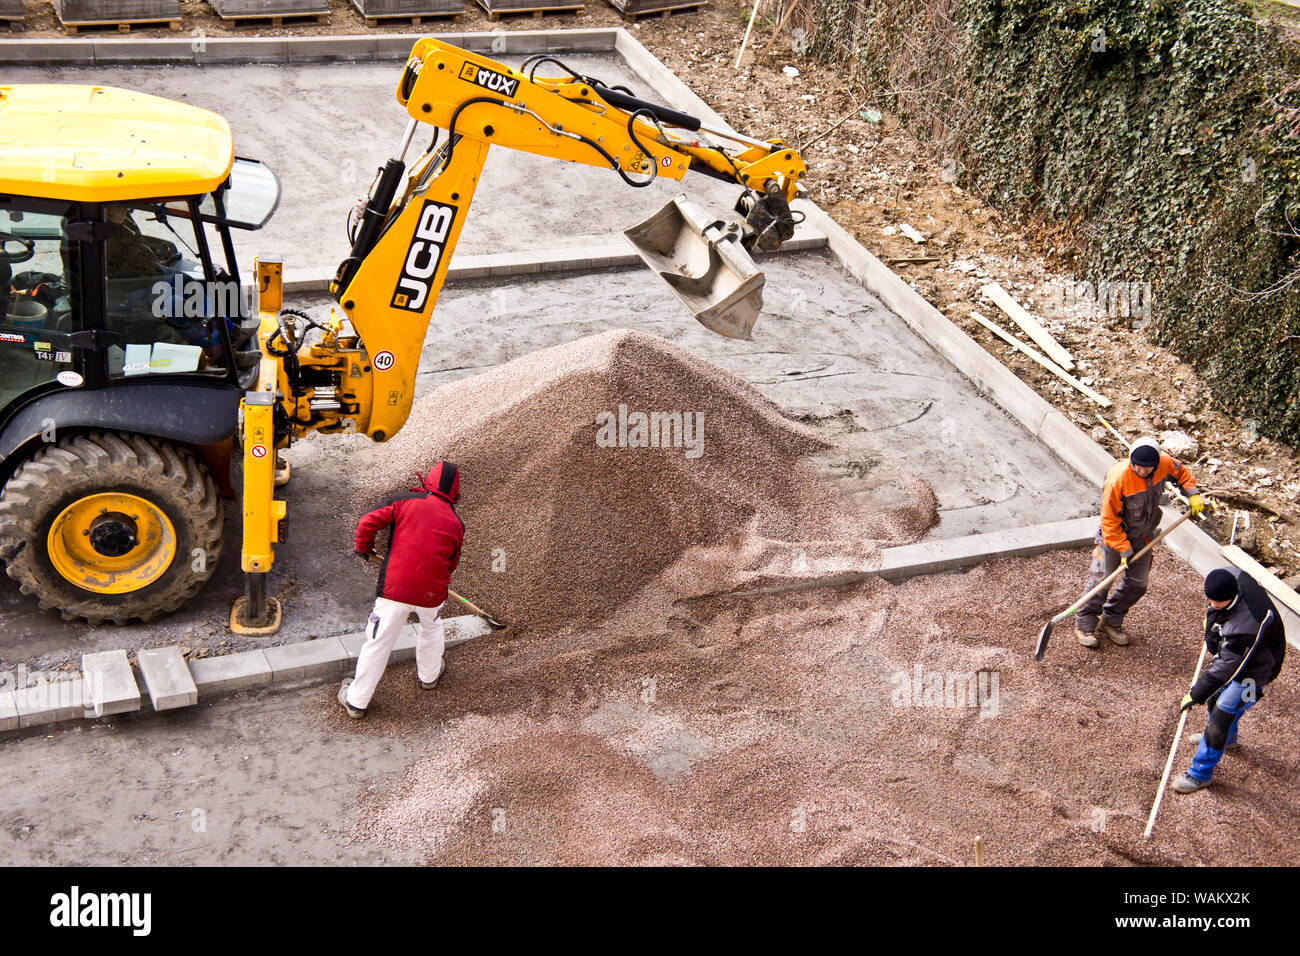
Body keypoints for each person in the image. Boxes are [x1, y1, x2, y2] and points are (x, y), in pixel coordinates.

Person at [338, 461, 464, 719]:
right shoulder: (456, 523)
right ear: (454, 492)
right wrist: (434, 582)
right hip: (433, 593)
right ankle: (429, 677)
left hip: (394, 591)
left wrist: (364, 548)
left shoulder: (404, 502)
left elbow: (366, 522)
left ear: (427, 480)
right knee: (431, 630)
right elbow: (452, 563)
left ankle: (357, 701)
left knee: (379, 641)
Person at [1075, 437, 1204, 648]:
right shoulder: (1118, 478)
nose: (1142, 471)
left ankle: (1111, 620)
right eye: (1138, 467)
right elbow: (1109, 521)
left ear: (1155, 464)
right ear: (1131, 460)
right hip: (1111, 539)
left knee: (1138, 584)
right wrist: (1124, 550)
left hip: (1143, 537)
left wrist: (1192, 492)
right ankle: (1085, 624)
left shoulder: (1163, 463)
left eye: (1147, 468)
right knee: (1100, 580)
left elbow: (1181, 471)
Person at [1172, 567, 1287, 793]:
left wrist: (1195, 695)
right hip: (1243, 659)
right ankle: (1229, 740)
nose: (1212, 605)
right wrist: (1213, 623)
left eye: (1218, 602)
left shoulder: (1245, 626)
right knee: (1218, 701)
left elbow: (1224, 668)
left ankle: (1200, 774)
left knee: (1223, 711)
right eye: (1210, 600)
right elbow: (1217, 619)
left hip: (1257, 672)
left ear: (1232, 596)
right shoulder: (1232, 577)